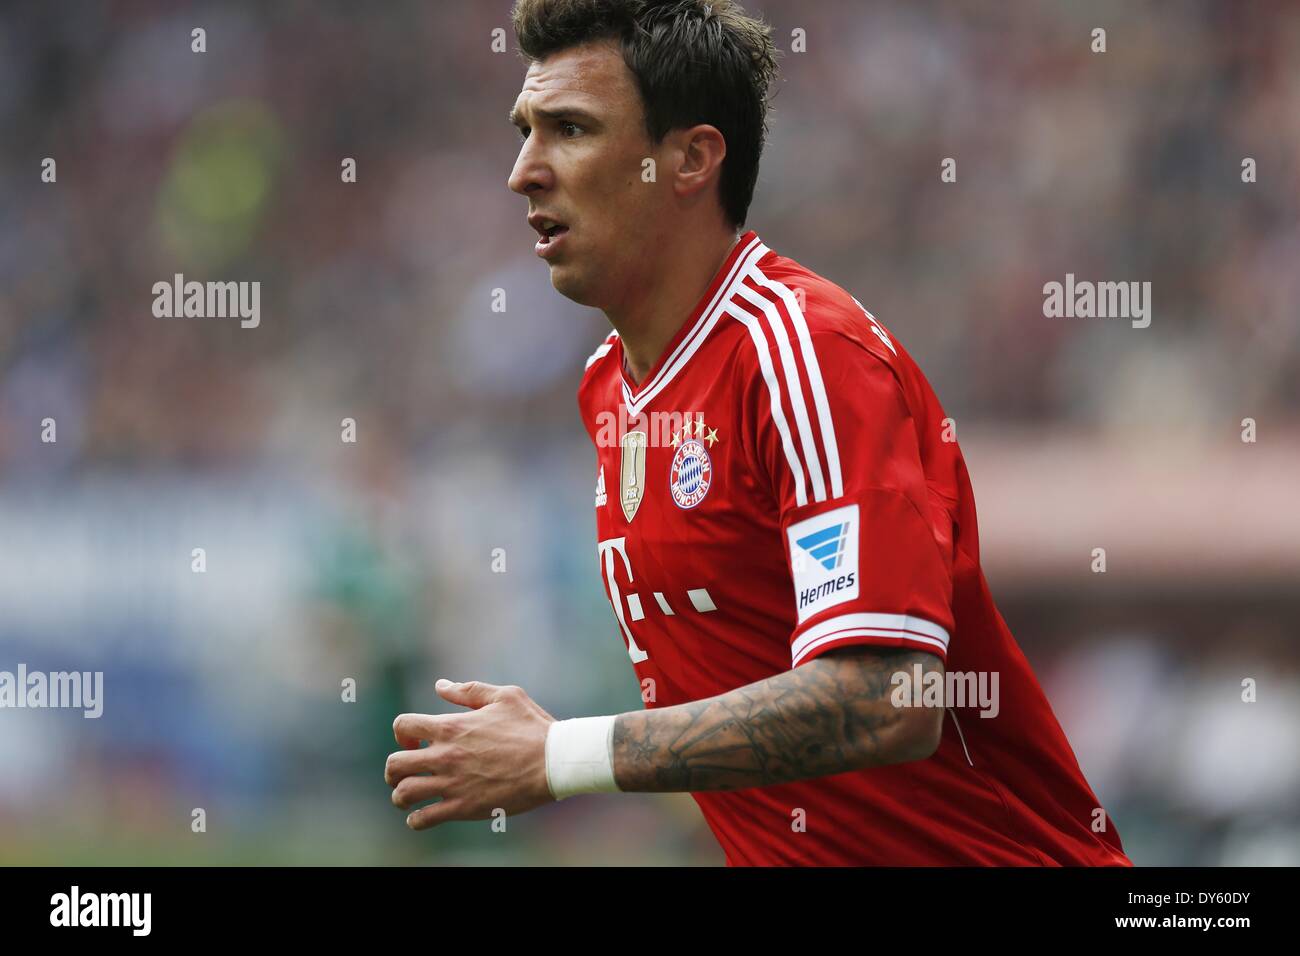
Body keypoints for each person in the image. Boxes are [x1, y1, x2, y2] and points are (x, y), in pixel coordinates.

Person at [385, 0, 1132, 866]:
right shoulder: (608, 391)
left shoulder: (804, 355)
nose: (524, 171)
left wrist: (561, 757)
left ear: (692, 159)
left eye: (571, 129)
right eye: (524, 130)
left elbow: (888, 695)